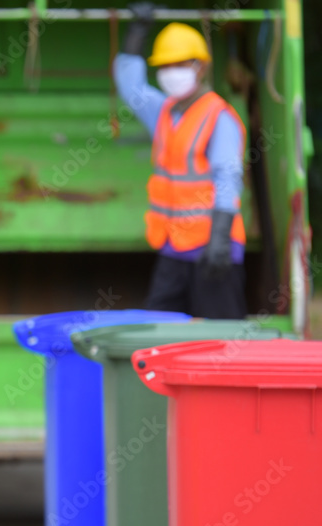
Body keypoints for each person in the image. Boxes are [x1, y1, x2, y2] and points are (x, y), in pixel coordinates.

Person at [116, 3, 248, 318]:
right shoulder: (162, 111)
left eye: (179, 64)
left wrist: (220, 239)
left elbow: (227, 177)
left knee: (220, 335)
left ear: (201, 67)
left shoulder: (219, 118)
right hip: (174, 247)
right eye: (164, 65)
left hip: (212, 250)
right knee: (159, 330)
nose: (170, 72)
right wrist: (137, 32)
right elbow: (129, 86)